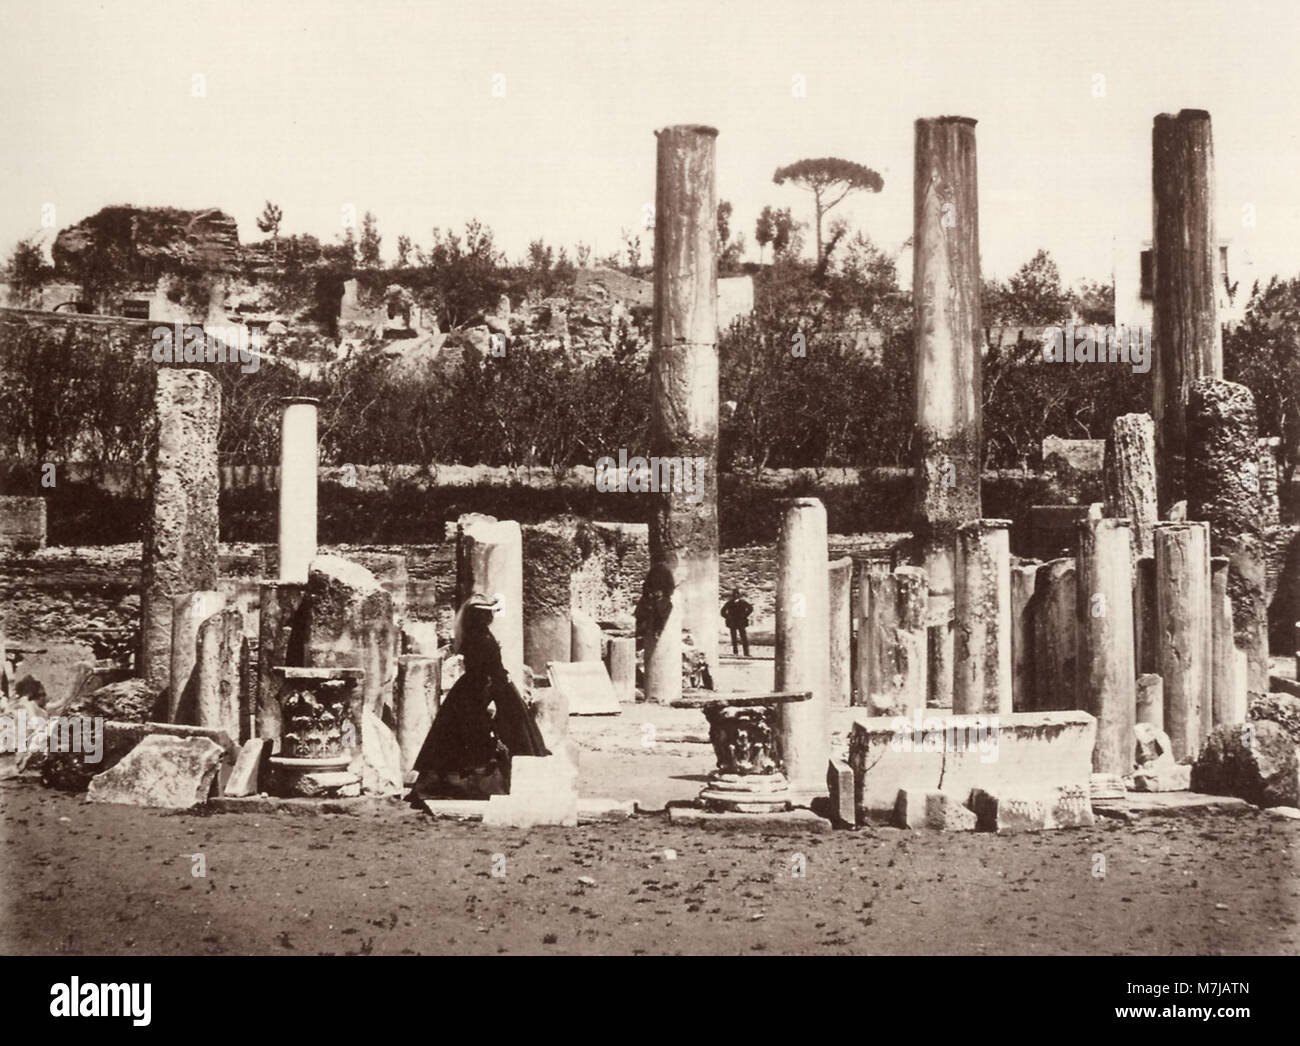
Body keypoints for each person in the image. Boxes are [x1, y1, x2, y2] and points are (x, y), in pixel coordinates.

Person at [406, 595, 548, 804]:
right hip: (485, 688)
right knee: (482, 734)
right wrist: (490, 697)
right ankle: (479, 784)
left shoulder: (477, 635)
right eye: (485, 613)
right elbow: (483, 670)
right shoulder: (480, 638)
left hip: (484, 686)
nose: (488, 617)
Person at [721, 588, 753, 657]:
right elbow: (722, 612)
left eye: (737, 594)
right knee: (734, 638)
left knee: (744, 637)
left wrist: (745, 615)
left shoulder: (743, 602)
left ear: (739, 595)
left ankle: (746, 653)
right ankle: (735, 652)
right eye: (734, 595)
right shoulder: (729, 603)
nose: (735, 596)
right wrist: (728, 617)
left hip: (741, 622)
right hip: (732, 622)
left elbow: (750, 608)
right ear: (732, 596)